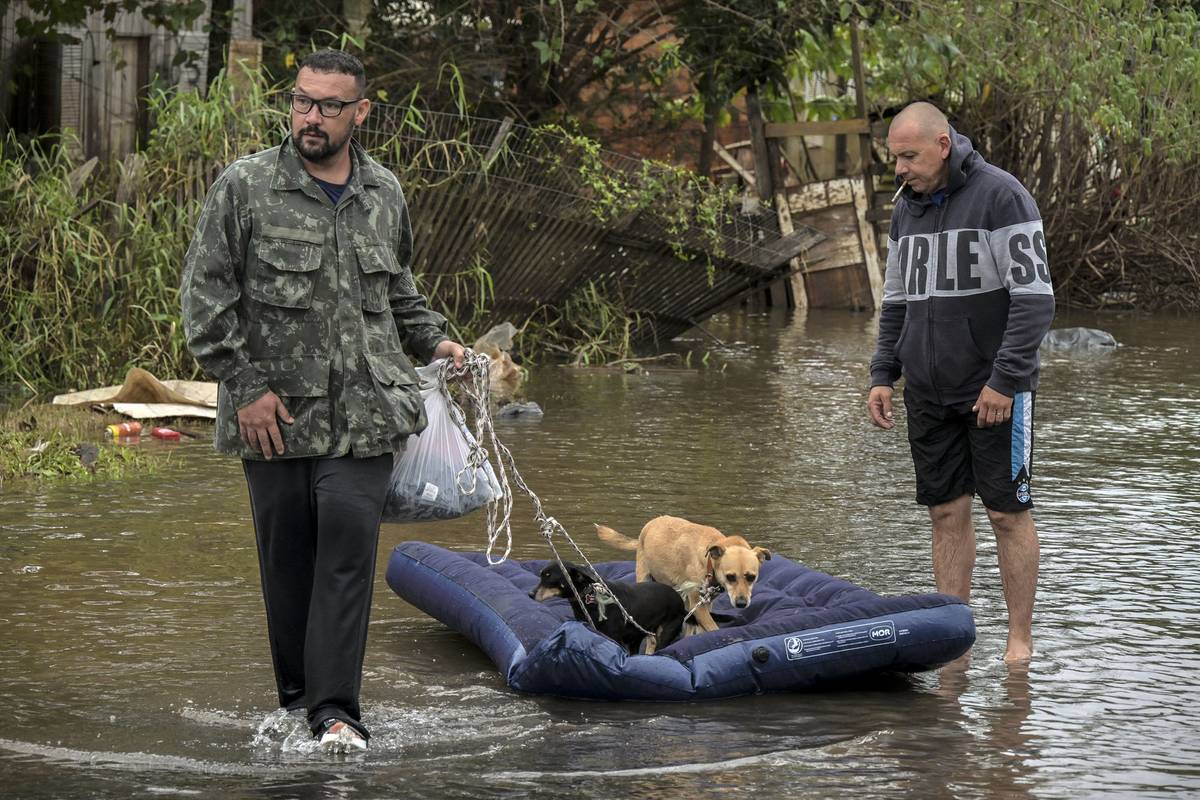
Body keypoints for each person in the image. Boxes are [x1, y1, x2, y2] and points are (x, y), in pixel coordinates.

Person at [181, 49, 465, 751]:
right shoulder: (244, 188)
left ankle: (337, 712)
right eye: (303, 102)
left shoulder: (384, 194)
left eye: (329, 106)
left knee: (346, 544)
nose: (312, 117)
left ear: (360, 113)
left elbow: (399, 295)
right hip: (275, 419)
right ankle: (299, 701)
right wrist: (246, 390)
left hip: (368, 416)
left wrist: (438, 345)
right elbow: (205, 304)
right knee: (288, 566)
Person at [867, 102, 1054, 663]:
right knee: (946, 513)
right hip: (927, 390)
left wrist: (1004, 381)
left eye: (909, 156)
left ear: (943, 145)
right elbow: (895, 300)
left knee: (1006, 513)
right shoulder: (905, 210)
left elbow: (1035, 300)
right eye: (894, 158)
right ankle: (956, 641)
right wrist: (883, 373)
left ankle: (1019, 641)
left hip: (994, 390)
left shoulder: (1002, 197)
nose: (899, 169)